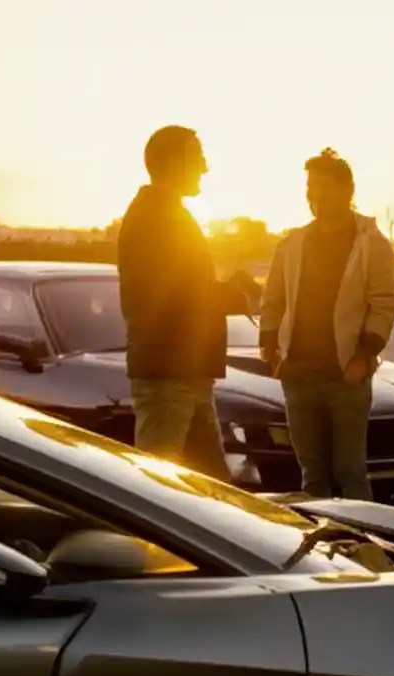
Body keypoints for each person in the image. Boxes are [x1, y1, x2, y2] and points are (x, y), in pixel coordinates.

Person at [259, 149, 394, 500]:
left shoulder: (372, 244)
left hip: (346, 377)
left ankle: (363, 548)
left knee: (350, 473)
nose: (316, 196)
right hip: (298, 376)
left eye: (325, 188)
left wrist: (364, 355)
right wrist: (269, 343)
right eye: (311, 188)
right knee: (312, 476)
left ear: (347, 190)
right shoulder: (292, 244)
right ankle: (317, 552)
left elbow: (385, 303)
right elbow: (273, 298)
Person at [116, 125, 250, 480]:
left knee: (212, 487)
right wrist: (226, 294)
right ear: (176, 160)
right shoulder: (157, 217)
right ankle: (142, 539)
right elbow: (172, 294)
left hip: (186, 371)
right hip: (169, 373)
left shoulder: (164, 213)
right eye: (199, 157)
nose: (205, 168)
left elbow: (183, 287)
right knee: (155, 484)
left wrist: (223, 290)